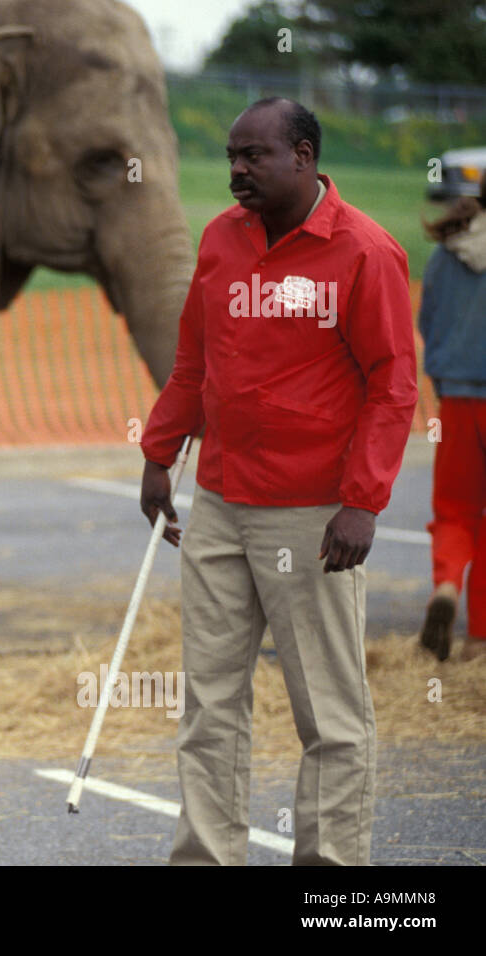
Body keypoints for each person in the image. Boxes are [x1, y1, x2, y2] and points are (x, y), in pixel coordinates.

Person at [138, 97, 419, 866]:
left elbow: (394, 387)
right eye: (231, 156)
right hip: (221, 504)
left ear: (302, 155)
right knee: (209, 705)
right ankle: (206, 855)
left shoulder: (366, 251)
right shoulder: (222, 242)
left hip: (315, 515)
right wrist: (159, 455)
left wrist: (362, 503)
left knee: (328, 714)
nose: (236, 171)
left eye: (253, 156)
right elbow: (194, 361)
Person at [416, 179, 486, 663]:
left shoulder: (445, 254)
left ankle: (445, 585)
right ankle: (479, 637)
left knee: (455, 509)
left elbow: (427, 322)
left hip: (458, 401)